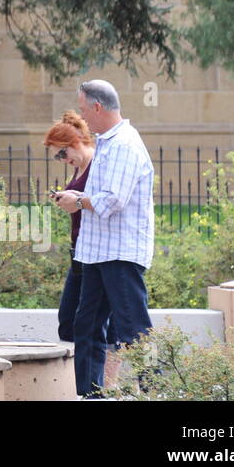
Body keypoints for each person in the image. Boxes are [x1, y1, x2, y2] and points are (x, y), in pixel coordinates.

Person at [51, 79, 154, 398]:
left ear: (97, 107)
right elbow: (102, 195)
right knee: (87, 326)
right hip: (96, 253)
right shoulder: (107, 142)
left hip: (120, 254)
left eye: (83, 109)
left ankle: (156, 389)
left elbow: (113, 201)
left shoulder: (124, 143)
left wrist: (78, 202)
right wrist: (78, 195)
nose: (82, 116)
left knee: (133, 329)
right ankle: (90, 395)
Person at [44, 111, 117, 352]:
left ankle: (105, 378)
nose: (63, 160)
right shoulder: (80, 167)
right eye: (58, 157)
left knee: (100, 323)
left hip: (97, 251)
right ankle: (86, 375)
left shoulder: (97, 165)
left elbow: (107, 202)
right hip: (79, 251)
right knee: (69, 322)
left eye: (63, 153)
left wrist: (76, 200)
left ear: (76, 143)